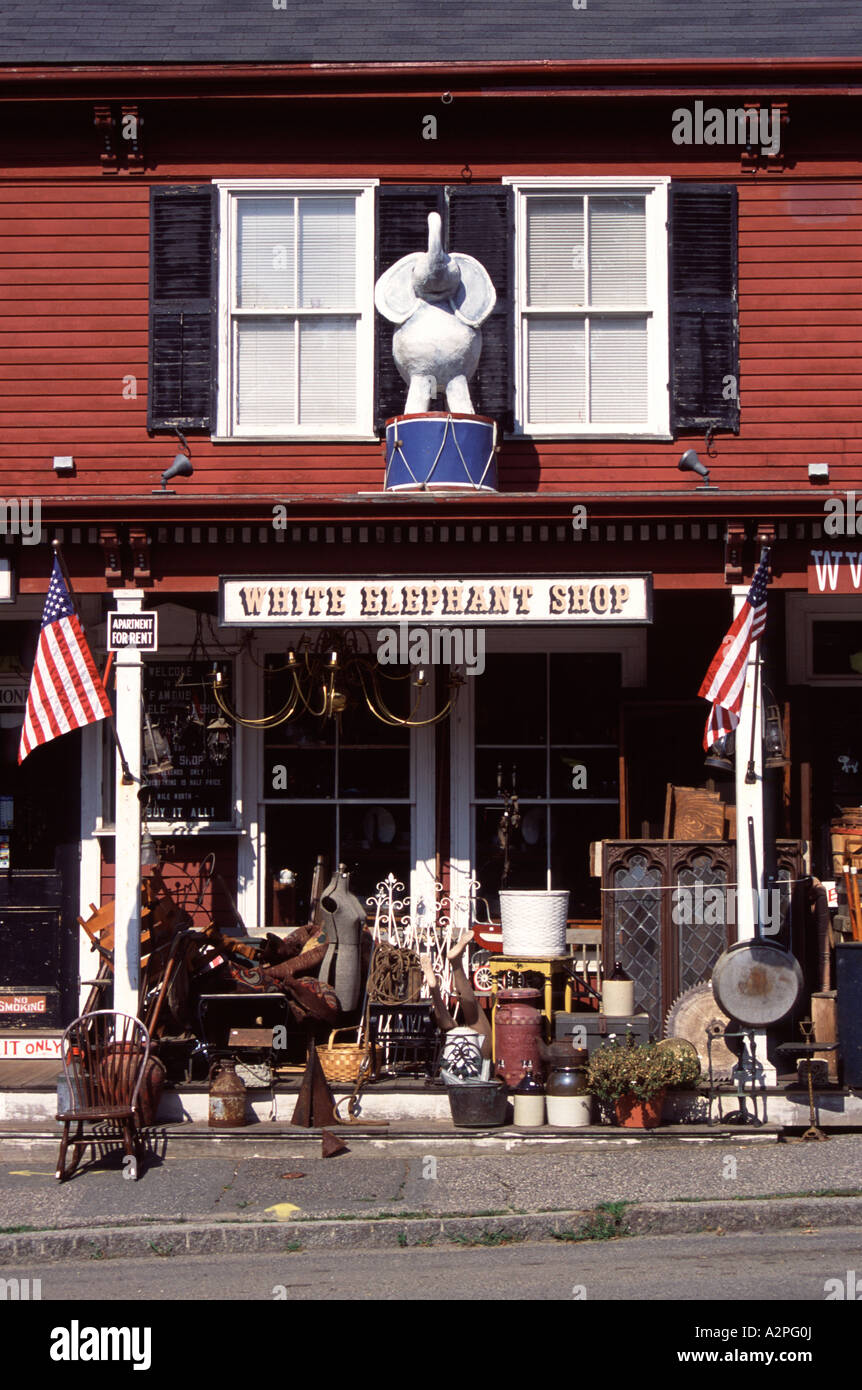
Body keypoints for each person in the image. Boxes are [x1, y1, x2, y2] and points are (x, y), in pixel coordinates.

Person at [420, 930, 492, 1059]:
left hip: (454, 1051)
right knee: (473, 1016)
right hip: (477, 1056)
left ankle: (435, 988)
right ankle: (455, 964)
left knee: (451, 1025)